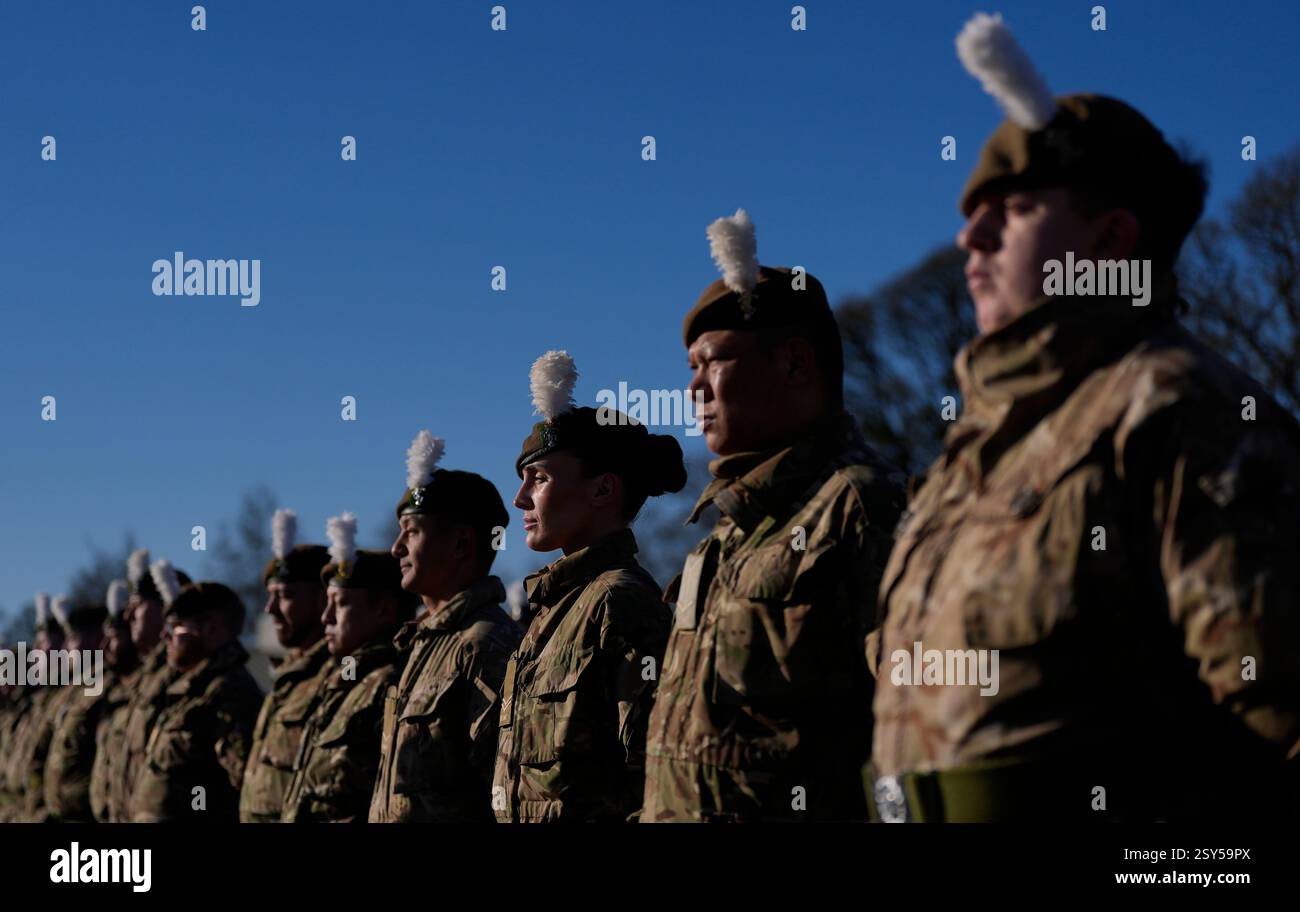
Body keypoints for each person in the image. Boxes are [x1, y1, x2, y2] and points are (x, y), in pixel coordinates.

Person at [869, 12, 1300, 822]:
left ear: (1109, 242)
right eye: (973, 210)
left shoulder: (1182, 411)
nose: (971, 235)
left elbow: (1279, 722)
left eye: (1018, 205)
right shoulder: (973, 451)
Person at [642, 210, 906, 822]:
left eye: (712, 362)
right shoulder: (723, 540)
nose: (693, 388)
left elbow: (923, 731)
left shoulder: (864, 506)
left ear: (794, 363)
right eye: (690, 369)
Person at [495, 351, 685, 822]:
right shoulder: (551, 614)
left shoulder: (619, 602)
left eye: (538, 478)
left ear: (602, 490)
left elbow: (656, 785)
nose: (519, 498)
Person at [368, 431, 523, 822]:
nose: (396, 548)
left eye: (413, 532)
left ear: (461, 544)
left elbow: (503, 790)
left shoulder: (486, 644)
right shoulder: (420, 645)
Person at [282, 514, 415, 822]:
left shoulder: (391, 680)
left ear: (382, 610)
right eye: (327, 603)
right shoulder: (344, 680)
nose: (326, 617)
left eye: (339, 604)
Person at [130, 568, 263, 822]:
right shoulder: (191, 691)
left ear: (211, 629)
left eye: (176, 626)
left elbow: (246, 787)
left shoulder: (227, 692)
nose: (164, 636)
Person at [240, 509, 332, 823]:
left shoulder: (335, 675)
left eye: (286, 596)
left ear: (324, 601)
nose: (271, 609)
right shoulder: (288, 678)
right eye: (270, 596)